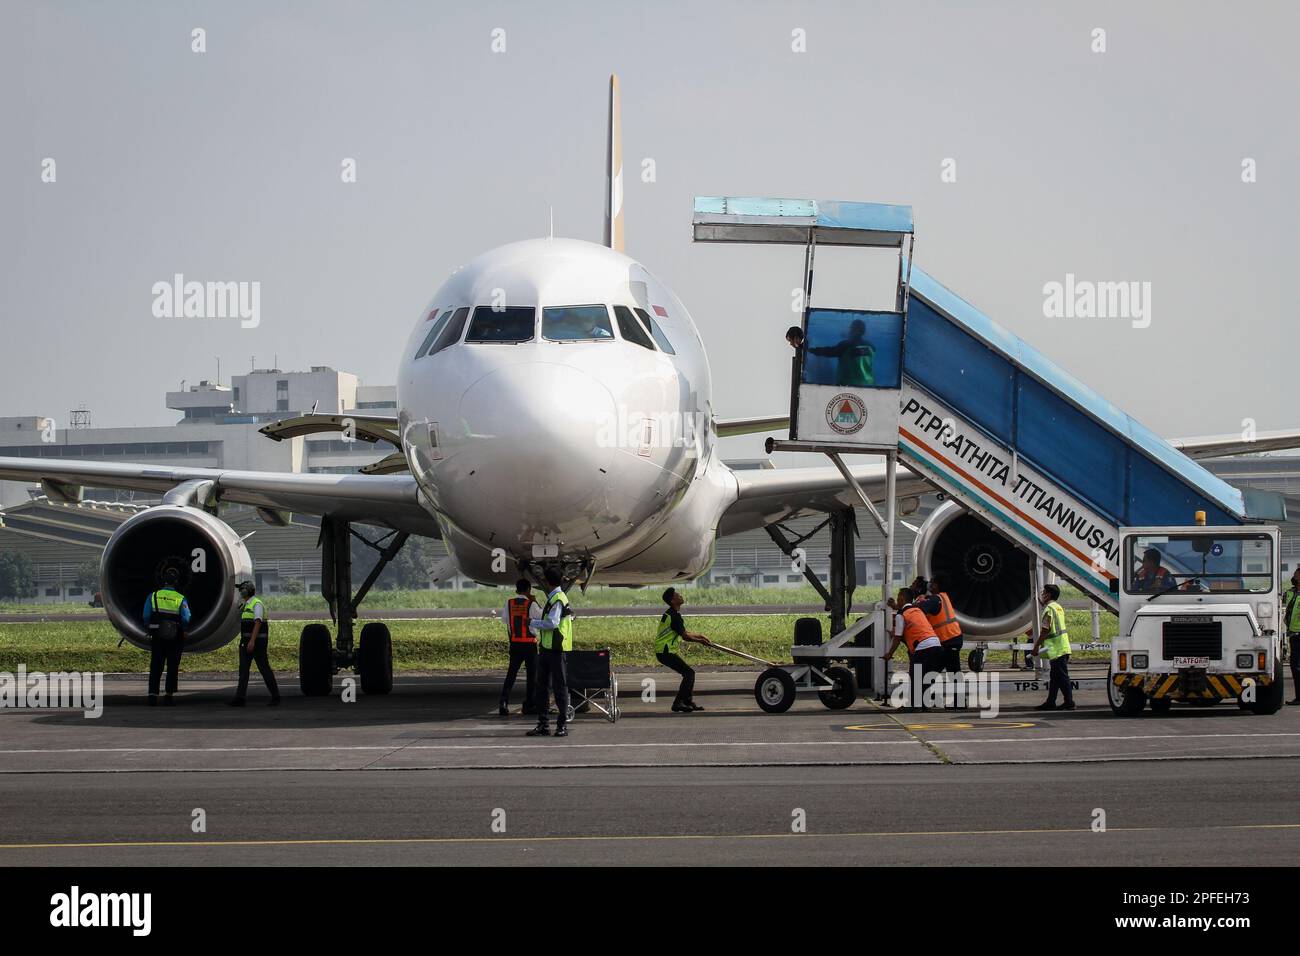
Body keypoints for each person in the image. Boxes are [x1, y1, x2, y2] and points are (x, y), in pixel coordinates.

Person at [527, 568, 573, 738]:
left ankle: (561, 725)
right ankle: (543, 724)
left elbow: (552, 623)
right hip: (547, 648)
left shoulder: (558, 598)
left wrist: (532, 622)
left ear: (547, 581)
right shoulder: (554, 597)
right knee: (543, 687)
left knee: (559, 687)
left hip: (556, 648)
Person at [883, 586, 945, 709]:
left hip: (923, 649)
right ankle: (922, 704)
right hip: (937, 647)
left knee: (916, 678)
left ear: (901, 598)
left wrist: (889, 653)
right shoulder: (917, 610)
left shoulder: (902, 615)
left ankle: (913, 705)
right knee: (926, 679)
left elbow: (898, 637)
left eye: (898, 597)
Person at [655, 587, 712, 713]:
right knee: (689, 674)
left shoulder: (672, 614)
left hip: (664, 651)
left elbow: (684, 632)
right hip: (665, 652)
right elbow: (685, 637)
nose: (680, 595)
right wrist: (700, 642)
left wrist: (700, 636)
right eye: (677, 594)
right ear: (673, 601)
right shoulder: (674, 616)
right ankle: (678, 702)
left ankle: (686, 701)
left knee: (689, 673)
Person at [143, 566, 190, 706]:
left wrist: (149, 626)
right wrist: (185, 629)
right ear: (176, 582)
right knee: (172, 666)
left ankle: (152, 695)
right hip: (175, 637)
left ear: (163, 581)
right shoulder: (180, 598)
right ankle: (168, 695)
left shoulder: (153, 596)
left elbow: (146, 615)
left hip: (157, 635)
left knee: (156, 665)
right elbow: (186, 618)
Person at [229, 581, 280, 706]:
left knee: (264, 668)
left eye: (241, 589)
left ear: (246, 591)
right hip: (246, 642)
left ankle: (276, 696)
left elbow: (257, 622)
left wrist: (252, 641)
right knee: (243, 670)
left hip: (256, 643)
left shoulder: (256, 604)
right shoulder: (247, 604)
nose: (240, 592)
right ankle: (240, 698)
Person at [499, 578, 540, 716]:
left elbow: (505, 620)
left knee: (511, 674)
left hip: (515, 644)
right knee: (532, 676)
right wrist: (535, 601)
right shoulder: (531, 604)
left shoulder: (509, 603)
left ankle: (503, 702)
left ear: (517, 589)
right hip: (529, 644)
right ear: (529, 590)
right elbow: (541, 617)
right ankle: (530, 704)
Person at [1031, 583, 1075, 711]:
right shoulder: (1057, 607)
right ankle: (1051, 701)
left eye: (1044, 592)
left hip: (1057, 649)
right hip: (1062, 646)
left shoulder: (1049, 609)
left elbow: (1045, 630)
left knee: (1062, 676)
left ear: (1048, 594)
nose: (1042, 595)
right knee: (1055, 677)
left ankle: (1069, 702)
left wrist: (1036, 646)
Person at [808, 317, 875, 386]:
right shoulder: (871, 347)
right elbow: (857, 346)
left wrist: (812, 350)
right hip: (868, 384)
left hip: (848, 385)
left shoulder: (845, 346)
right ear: (863, 331)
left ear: (852, 330)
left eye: (851, 328)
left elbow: (829, 352)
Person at [925, 574, 964, 674]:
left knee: (951, 671)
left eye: (932, 582)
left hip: (950, 639)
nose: (929, 584)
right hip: (948, 639)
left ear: (936, 585)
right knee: (947, 669)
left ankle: (919, 688)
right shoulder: (941, 597)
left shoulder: (935, 599)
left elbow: (920, 609)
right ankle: (920, 687)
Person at [1283, 568, 1300, 705]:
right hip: (1293, 634)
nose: (1294, 576)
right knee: (1295, 667)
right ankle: (1298, 696)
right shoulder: (1290, 593)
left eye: (1296, 574)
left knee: (1298, 666)